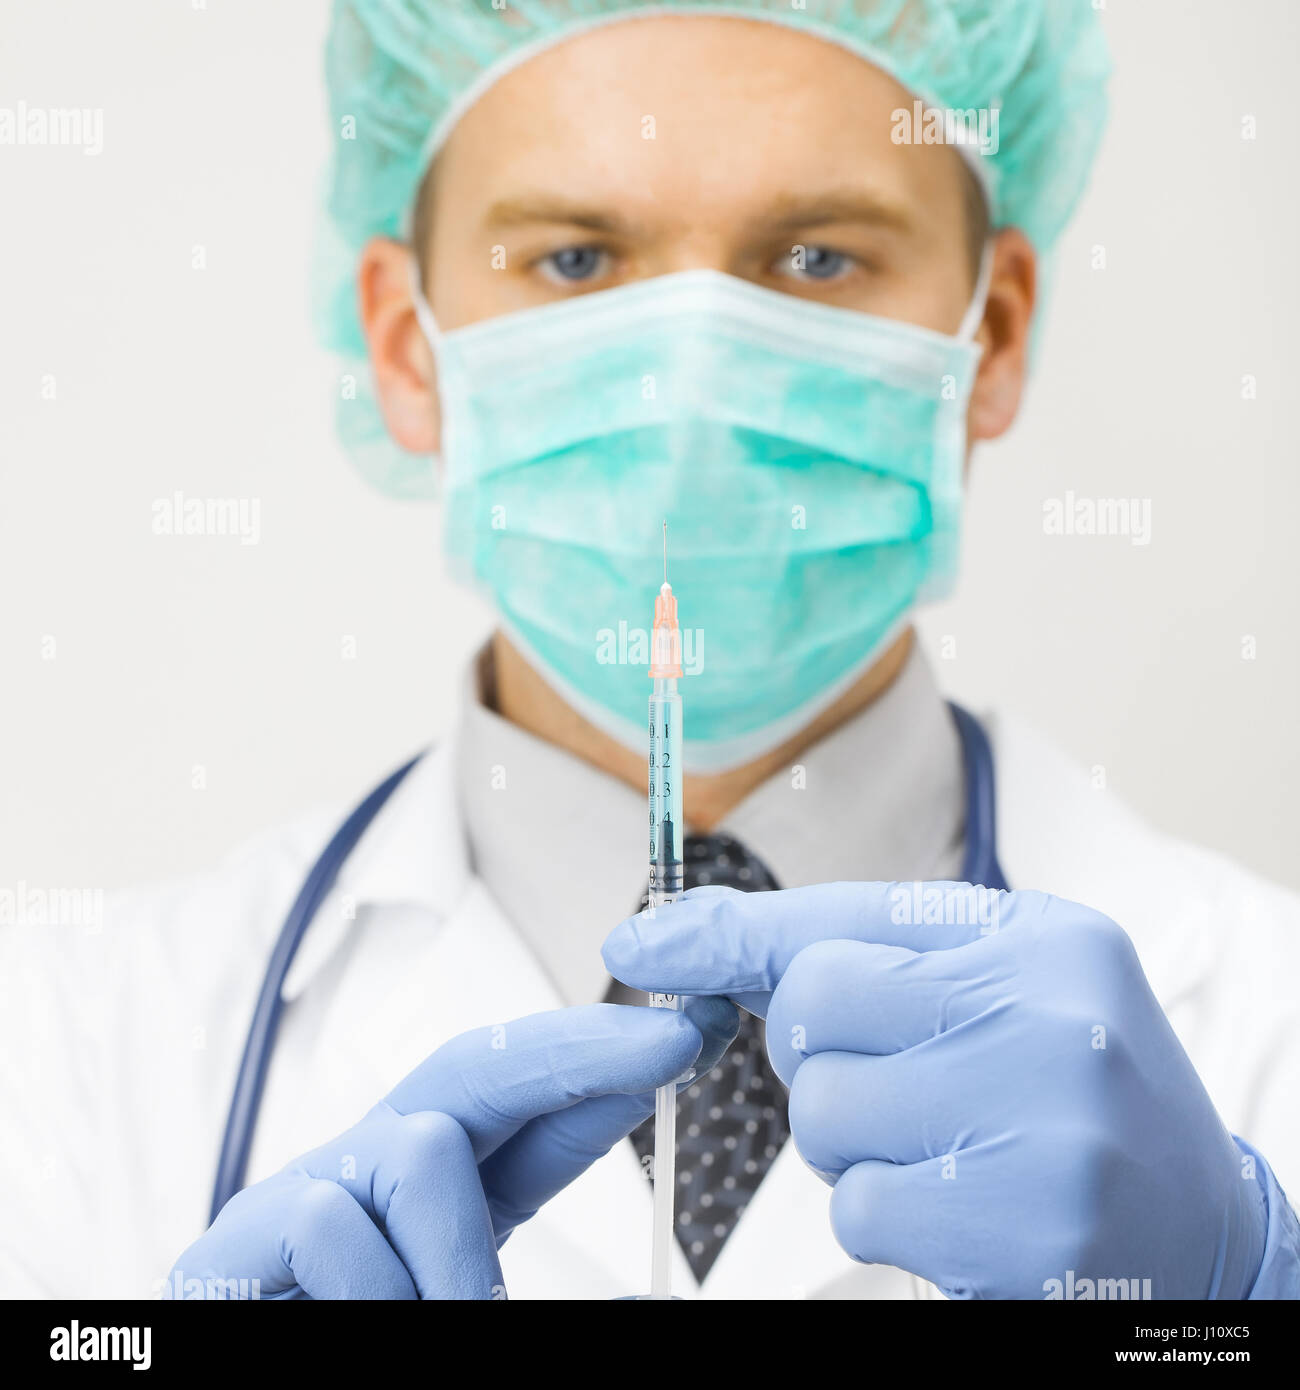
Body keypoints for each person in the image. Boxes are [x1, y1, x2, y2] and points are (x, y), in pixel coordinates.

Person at [5, 1, 1298, 1301]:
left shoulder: (1262, 1020)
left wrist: (1229, 1304)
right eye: (574, 260)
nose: (690, 386)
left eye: (814, 256)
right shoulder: (71, 1055)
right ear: (408, 348)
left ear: (993, 334)